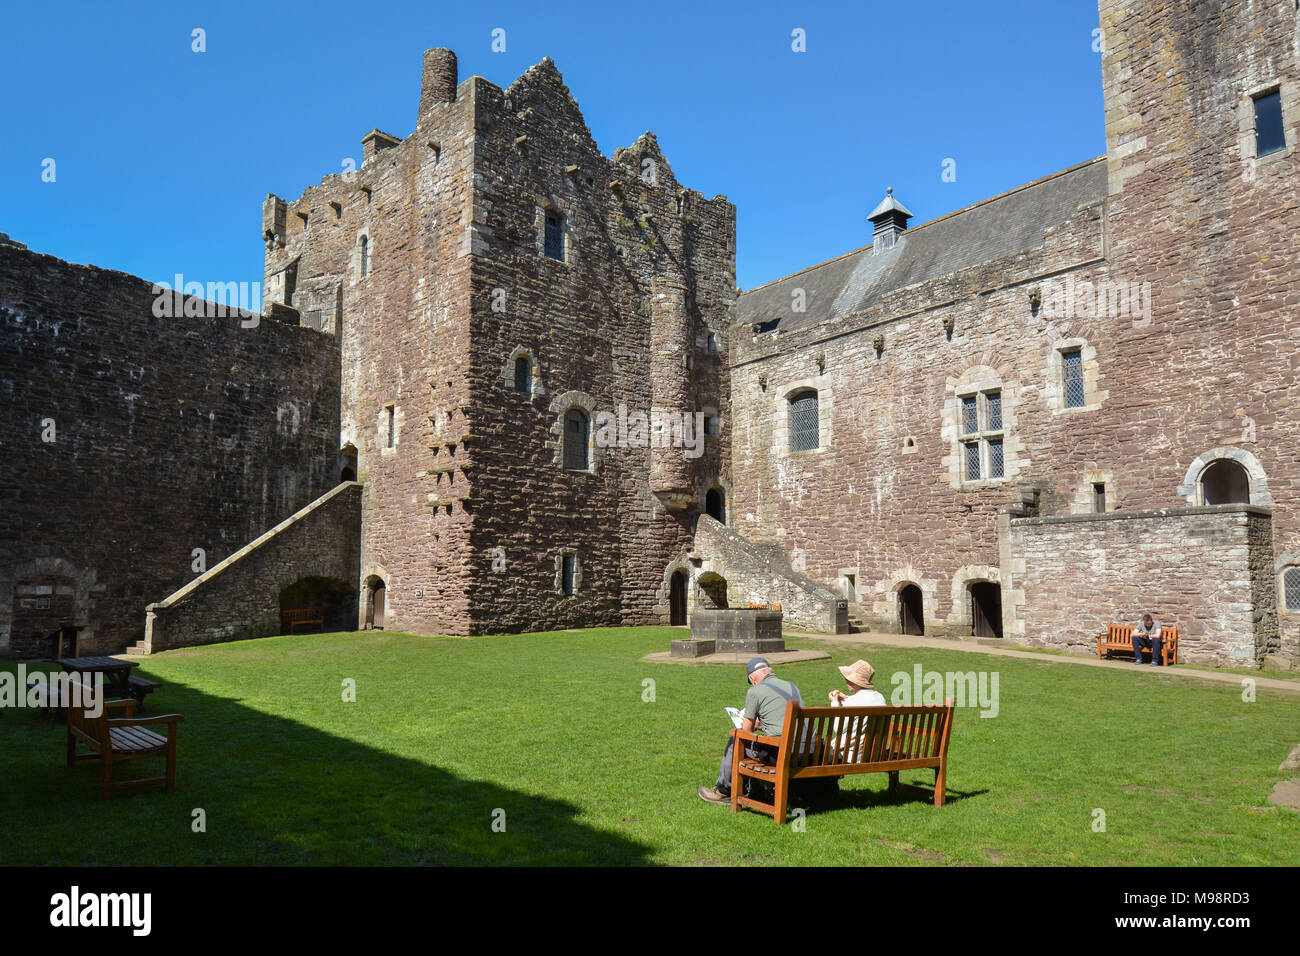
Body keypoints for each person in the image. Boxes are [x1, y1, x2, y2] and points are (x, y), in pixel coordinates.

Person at [697, 657, 803, 805]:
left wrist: (750, 726)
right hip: (805, 751)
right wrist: (762, 726)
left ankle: (723, 791)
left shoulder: (755, 690)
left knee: (736, 739)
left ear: (753, 678)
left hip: (781, 754)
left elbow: (746, 732)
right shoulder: (793, 687)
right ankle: (755, 788)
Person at [828, 659, 887, 761]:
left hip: (848, 755)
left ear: (854, 681)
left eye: (848, 679)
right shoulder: (881, 698)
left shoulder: (854, 702)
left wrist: (834, 703)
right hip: (872, 755)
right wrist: (847, 699)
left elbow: (838, 728)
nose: (846, 681)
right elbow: (863, 702)